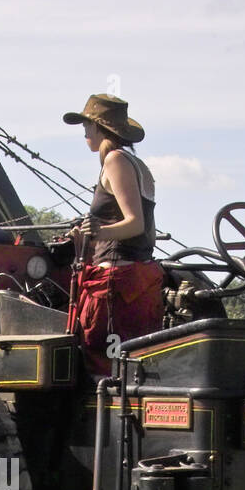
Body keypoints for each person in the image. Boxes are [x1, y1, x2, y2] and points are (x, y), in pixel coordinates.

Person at [62, 94, 165, 376]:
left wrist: (97, 231)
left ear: (99, 127)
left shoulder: (116, 161)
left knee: (102, 364)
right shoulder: (136, 163)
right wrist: (87, 238)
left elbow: (135, 224)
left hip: (115, 289)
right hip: (135, 282)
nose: (84, 131)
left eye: (87, 125)